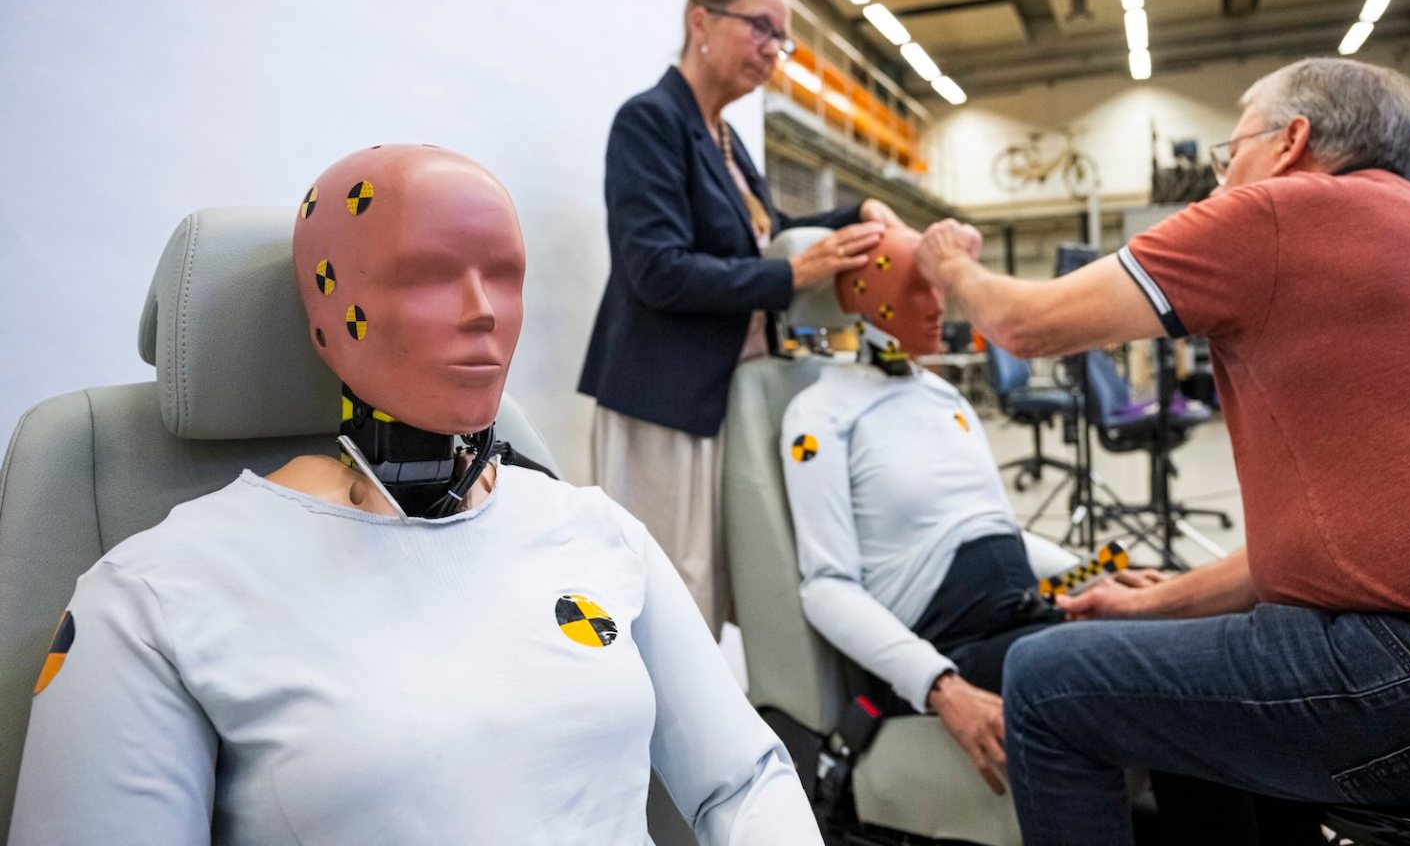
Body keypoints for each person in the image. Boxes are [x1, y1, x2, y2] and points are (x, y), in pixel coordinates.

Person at [9, 145, 822, 845]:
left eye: (503, 277)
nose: (482, 312)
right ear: (325, 313)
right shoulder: (158, 593)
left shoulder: (593, 532)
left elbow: (744, 779)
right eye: (427, 277)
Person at [916, 58, 1410, 844]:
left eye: (1228, 152)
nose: (1220, 178)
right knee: (1186, 693)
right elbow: (1338, 554)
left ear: (1289, 141)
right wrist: (1151, 604)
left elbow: (1027, 326)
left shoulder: (1278, 210)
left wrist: (949, 264)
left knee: (1045, 681)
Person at [578, 0, 900, 636]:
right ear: (700, 20)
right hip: (664, 401)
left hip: (720, 392)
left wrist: (853, 216)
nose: (772, 49)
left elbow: (768, 235)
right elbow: (657, 271)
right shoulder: (650, 120)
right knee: (668, 596)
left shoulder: (724, 137)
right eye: (761, 28)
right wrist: (793, 276)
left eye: (781, 38)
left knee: (712, 588)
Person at [780, 226, 1074, 795]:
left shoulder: (945, 397)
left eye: (940, 286)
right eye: (920, 287)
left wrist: (1099, 576)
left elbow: (997, 532)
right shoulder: (818, 416)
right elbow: (827, 587)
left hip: (1022, 617)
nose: (940, 305)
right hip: (947, 648)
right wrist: (940, 683)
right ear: (865, 296)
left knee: (1180, 636)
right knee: (1128, 669)